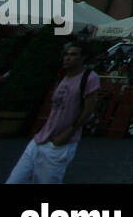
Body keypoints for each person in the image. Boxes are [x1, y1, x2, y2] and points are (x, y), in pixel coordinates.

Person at [6, 43, 100, 184]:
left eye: (73, 55)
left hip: (60, 143)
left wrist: (68, 133)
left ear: (83, 58)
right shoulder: (63, 76)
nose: (67, 58)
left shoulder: (89, 78)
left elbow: (89, 109)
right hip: (40, 139)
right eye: (66, 54)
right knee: (14, 180)